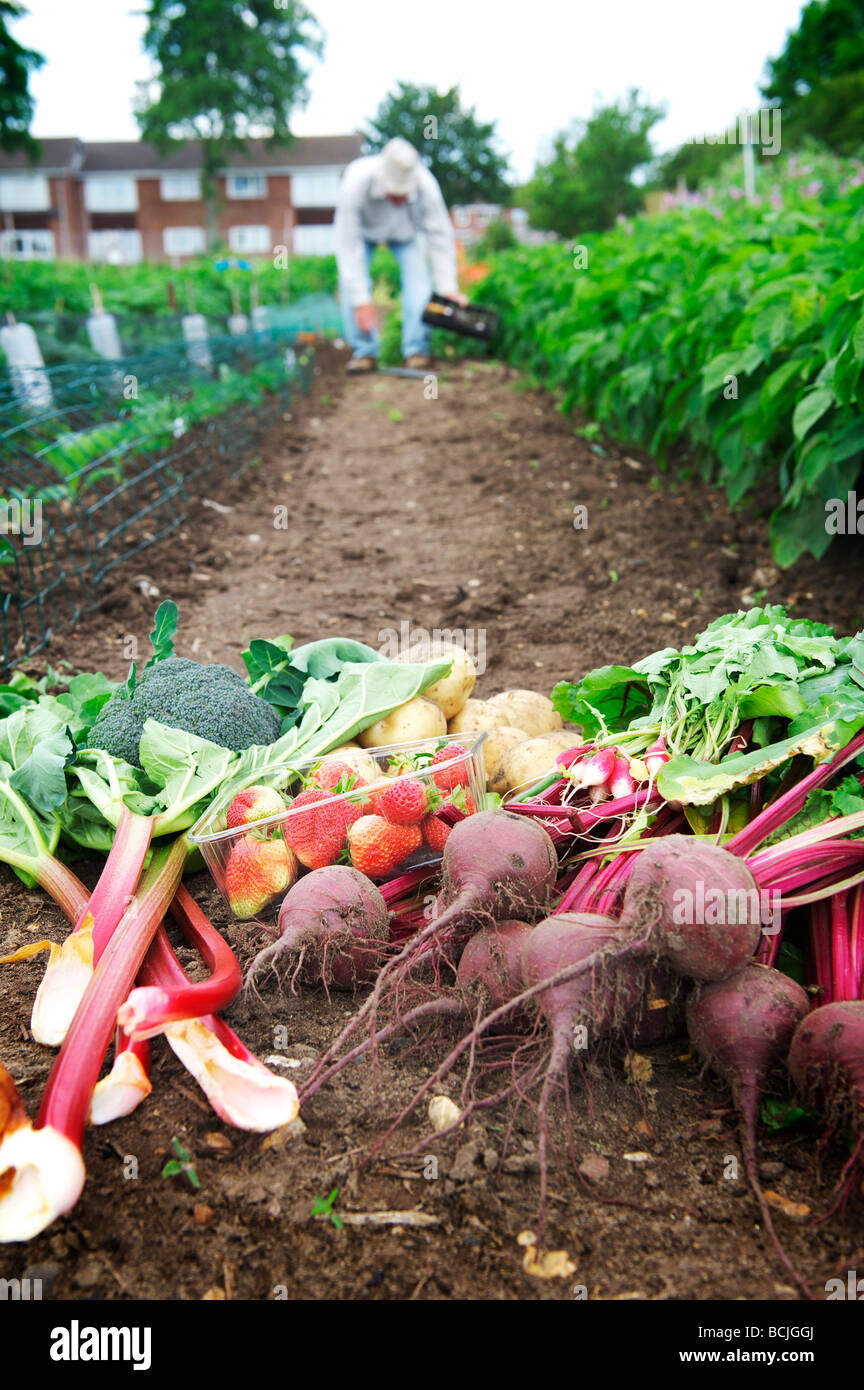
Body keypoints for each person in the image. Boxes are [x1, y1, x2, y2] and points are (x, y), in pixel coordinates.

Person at [334, 137, 468, 373]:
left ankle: (417, 350)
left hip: (407, 235)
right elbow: (347, 244)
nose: (400, 199)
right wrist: (361, 300)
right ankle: (365, 352)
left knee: (420, 285)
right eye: (395, 193)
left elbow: (440, 238)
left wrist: (448, 287)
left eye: (404, 193)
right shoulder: (355, 182)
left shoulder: (426, 186)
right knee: (351, 288)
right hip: (364, 234)